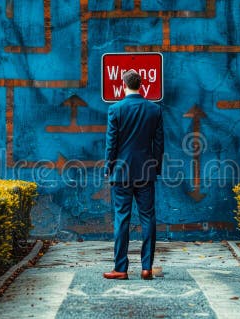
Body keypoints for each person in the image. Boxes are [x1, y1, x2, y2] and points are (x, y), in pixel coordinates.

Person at [103, 69, 164, 280]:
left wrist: (109, 167)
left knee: (122, 219)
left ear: (124, 85)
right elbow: (159, 144)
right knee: (148, 217)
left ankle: (121, 268)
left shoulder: (115, 109)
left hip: (121, 172)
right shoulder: (154, 110)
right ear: (141, 85)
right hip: (146, 171)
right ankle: (147, 268)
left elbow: (111, 143)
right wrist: (156, 168)